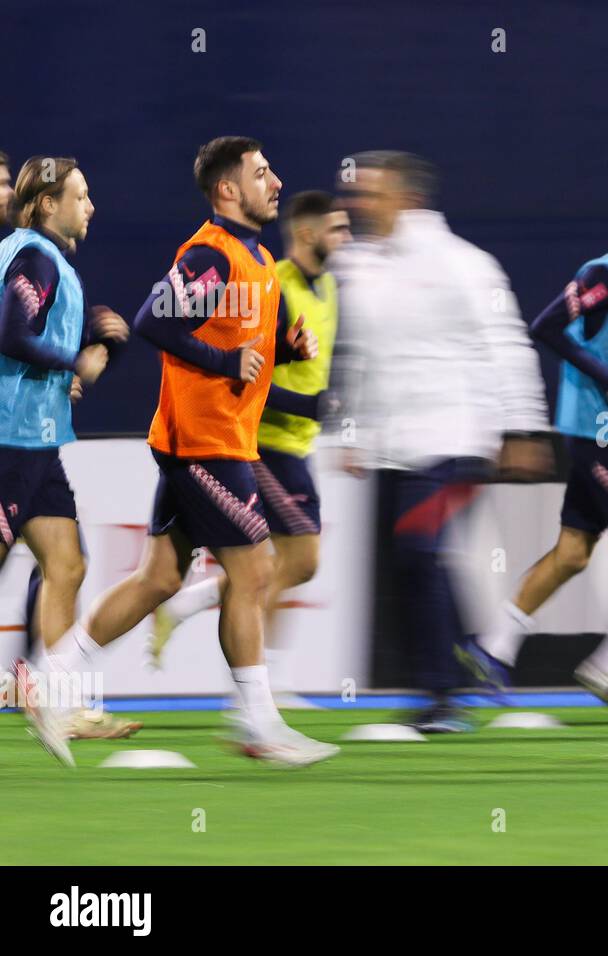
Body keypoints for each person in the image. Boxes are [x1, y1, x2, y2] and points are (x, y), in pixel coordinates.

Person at [26, 137, 335, 767]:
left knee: (159, 578)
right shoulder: (210, 255)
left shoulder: (255, 258)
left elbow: (248, 340)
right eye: (262, 173)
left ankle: (49, 683)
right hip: (204, 443)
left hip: (213, 440)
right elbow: (153, 322)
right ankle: (257, 725)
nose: (276, 182)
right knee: (254, 572)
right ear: (227, 189)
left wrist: (288, 347)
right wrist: (228, 360)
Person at [334, 150, 551, 733]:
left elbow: (509, 344)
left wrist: (523, 428)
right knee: (409, 564)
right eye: (355, 194)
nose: (358, 203)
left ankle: (443, 694)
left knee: (418, 549)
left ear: (406, 198)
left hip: (458, 440)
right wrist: (351, 427)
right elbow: (356, 355)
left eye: (371, 193)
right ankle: (463, 665)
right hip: (392, 448)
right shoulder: (355, 266)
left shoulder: (464, 263)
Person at [462, 182, 608, 713]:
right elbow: (548, 326)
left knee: (572, 553)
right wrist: (606, 374)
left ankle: (492, 647)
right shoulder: (605, 274)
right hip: (596, 433)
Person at [147, 191, 351, 710]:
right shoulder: (264, 276)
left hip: (291, 445)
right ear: (306, 232)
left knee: (276, 566)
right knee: (284, 561)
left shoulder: (328, 287)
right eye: (337, 228)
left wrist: (290, 353)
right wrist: (309, 405)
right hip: (255, 442)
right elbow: (245, 370)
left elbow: (270, 357)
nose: (345, 238)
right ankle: (254, 698)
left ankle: (250, 676)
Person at [2, 156, 135, 759]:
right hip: (9, 443)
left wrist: (76, 365)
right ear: (47, 204)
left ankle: (55, 698)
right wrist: (73, 360)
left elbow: (28, 344)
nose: (91, 206)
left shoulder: (38, 257)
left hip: (36, 443)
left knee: (70, 565)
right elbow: (11, 332)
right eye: (80, 196)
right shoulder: (35, 256)